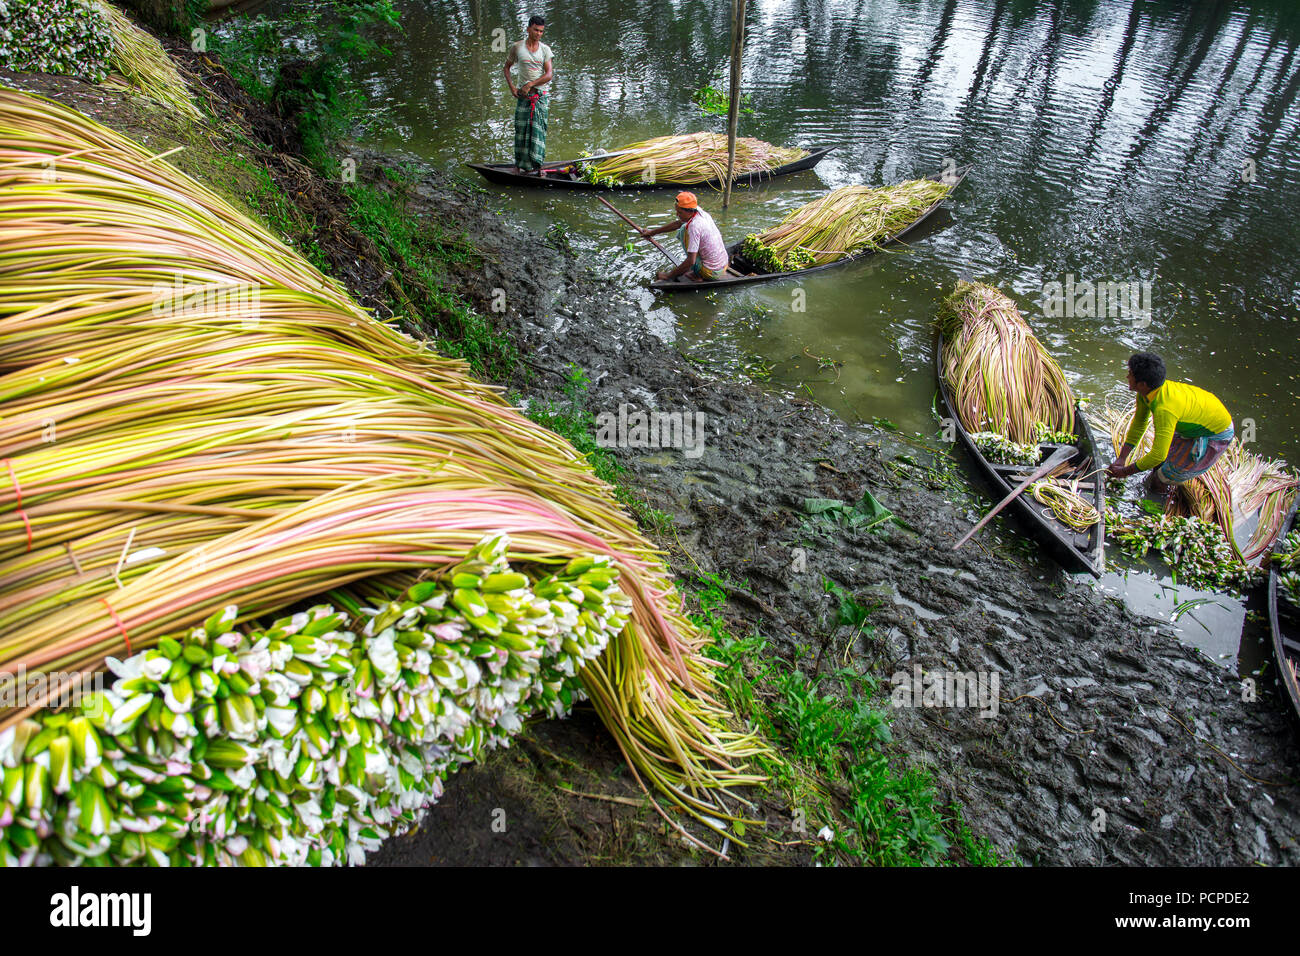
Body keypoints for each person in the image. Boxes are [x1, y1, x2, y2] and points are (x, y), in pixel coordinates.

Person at [1106, 351, 1234, 497]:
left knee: (1160, 479)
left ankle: (1157, 505)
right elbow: (1139, 423)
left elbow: (1158, 455)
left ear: (1142, 384)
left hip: (1216, 432)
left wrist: (1125, 472)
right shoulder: (1147, 392)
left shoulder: (1164, 409)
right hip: (1196, 420)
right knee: (1159, 466)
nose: (1127, 377)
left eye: (1130, 374)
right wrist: (1122, 458)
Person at [640, 192, 729, 282]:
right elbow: (678, 223)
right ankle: (699, 271)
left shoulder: (694, 226)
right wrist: (651, 232)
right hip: (724, 264)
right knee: (683, 227)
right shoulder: (699, 212)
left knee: (684, 230)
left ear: (690, 211)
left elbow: (691, 261)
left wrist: (668, 276)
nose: (677, 215)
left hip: (711, 273)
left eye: (680, 213)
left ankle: (698, 275)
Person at [504, 16, 553, 176]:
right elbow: (507, 68)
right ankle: (518, 166)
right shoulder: (517, 47)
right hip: (523, 97)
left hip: (539, 97)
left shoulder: (545, 49)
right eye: (536, 30)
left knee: (538, 132)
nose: (539, 34)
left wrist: (531, 84)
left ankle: (538, 168)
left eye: (541, 31)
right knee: (521, 130)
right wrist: (512, 88)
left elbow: (549, 74)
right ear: (528, 29)